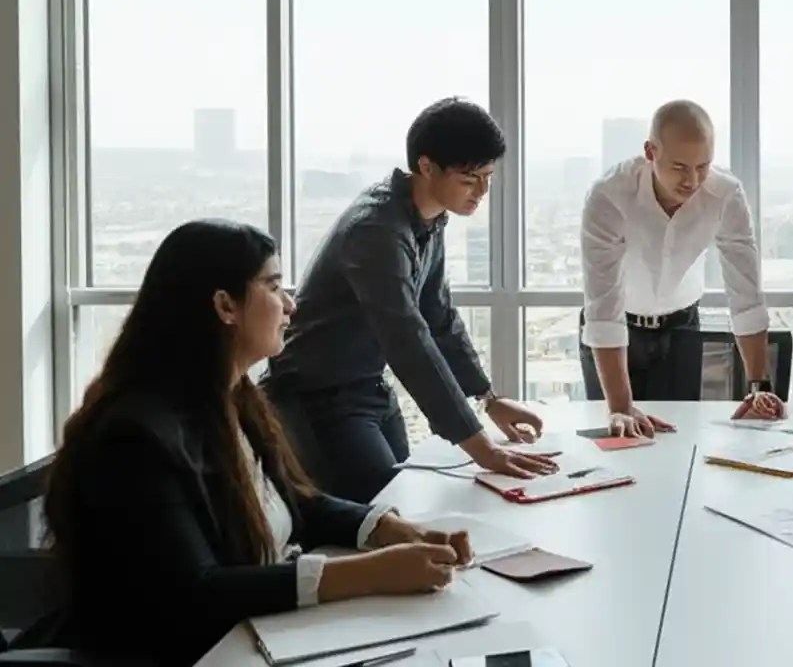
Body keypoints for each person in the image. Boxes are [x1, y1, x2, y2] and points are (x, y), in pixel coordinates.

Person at [35, 220, 475, 666]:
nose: (290, 305)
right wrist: (369, 573)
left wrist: (387, 528)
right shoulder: (134, 437)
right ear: (226, 305)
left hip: (257, 636)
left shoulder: (234, 399)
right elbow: (193, 592)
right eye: (274, 286)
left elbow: (291, 502)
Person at [263, 98, 557, 503]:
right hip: (318, 397)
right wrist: (481, 446)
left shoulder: (429, 217)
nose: (482, 192)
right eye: (470, 178)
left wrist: (488, 398)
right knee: (380, 515)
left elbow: (438, 316)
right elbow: (408, 339)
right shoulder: (377, 229)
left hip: (369, 389)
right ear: (426, 166)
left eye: (488, 177)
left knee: (407, 508)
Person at [579, 100, 785, 437]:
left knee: (679, 444)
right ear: (650, 151)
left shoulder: (726, 195)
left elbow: (746, 295)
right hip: (614, 336)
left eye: (703, 166)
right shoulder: (609, 195)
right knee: (618, 442)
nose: (692, 181)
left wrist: (759, 386)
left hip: (682, 330)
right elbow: (603, 309)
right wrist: (619, 407)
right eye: (679, 167)